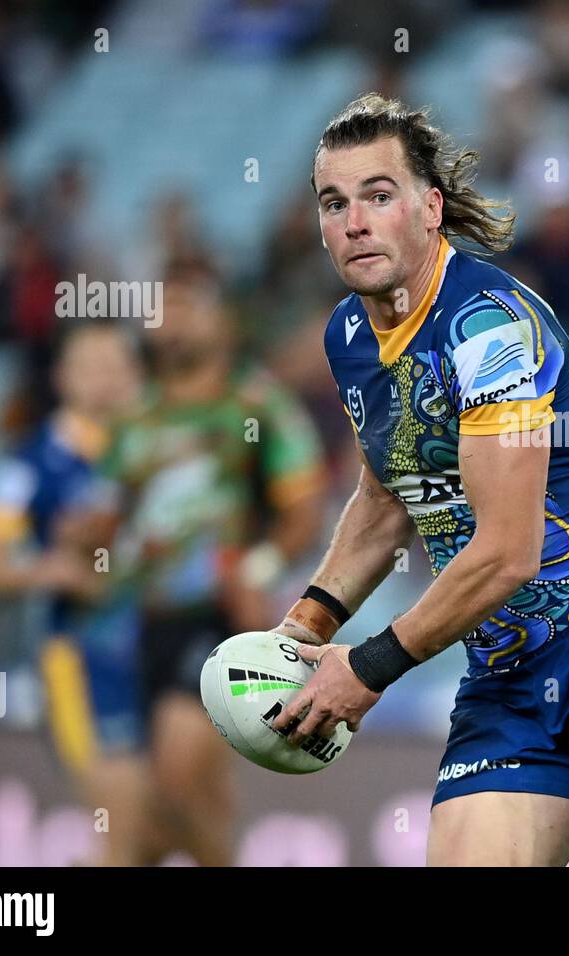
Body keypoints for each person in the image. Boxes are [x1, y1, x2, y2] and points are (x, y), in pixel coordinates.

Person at [271, 93, 569, 866]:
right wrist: (303, 629)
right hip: (503, 673)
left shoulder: (490, 325)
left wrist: (367, 668)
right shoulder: (347, 334)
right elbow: (387, 496)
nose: (354, 221)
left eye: (379, 195)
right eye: (334, 203)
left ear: (430, 206)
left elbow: (510, 551)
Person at [90, 260, 326, 865]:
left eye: (189, 305)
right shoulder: (133, 418)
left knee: (177, 765)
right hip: (144, 620)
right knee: (166, 805)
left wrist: (255, 572)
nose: (172, 321)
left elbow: (302, 511)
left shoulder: (257, 406)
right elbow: (106, 519)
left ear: (222, 320)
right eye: (162, 308)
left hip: (220, 619)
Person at [0, 320, 153, 865]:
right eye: (92, 367)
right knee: (119, 819)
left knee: (154, 828)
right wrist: (53, 572)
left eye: (118, 366)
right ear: (63, 377)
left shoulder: (155, 450)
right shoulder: (31, 463)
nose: (107, 381)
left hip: (160, 654)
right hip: (80, 660)